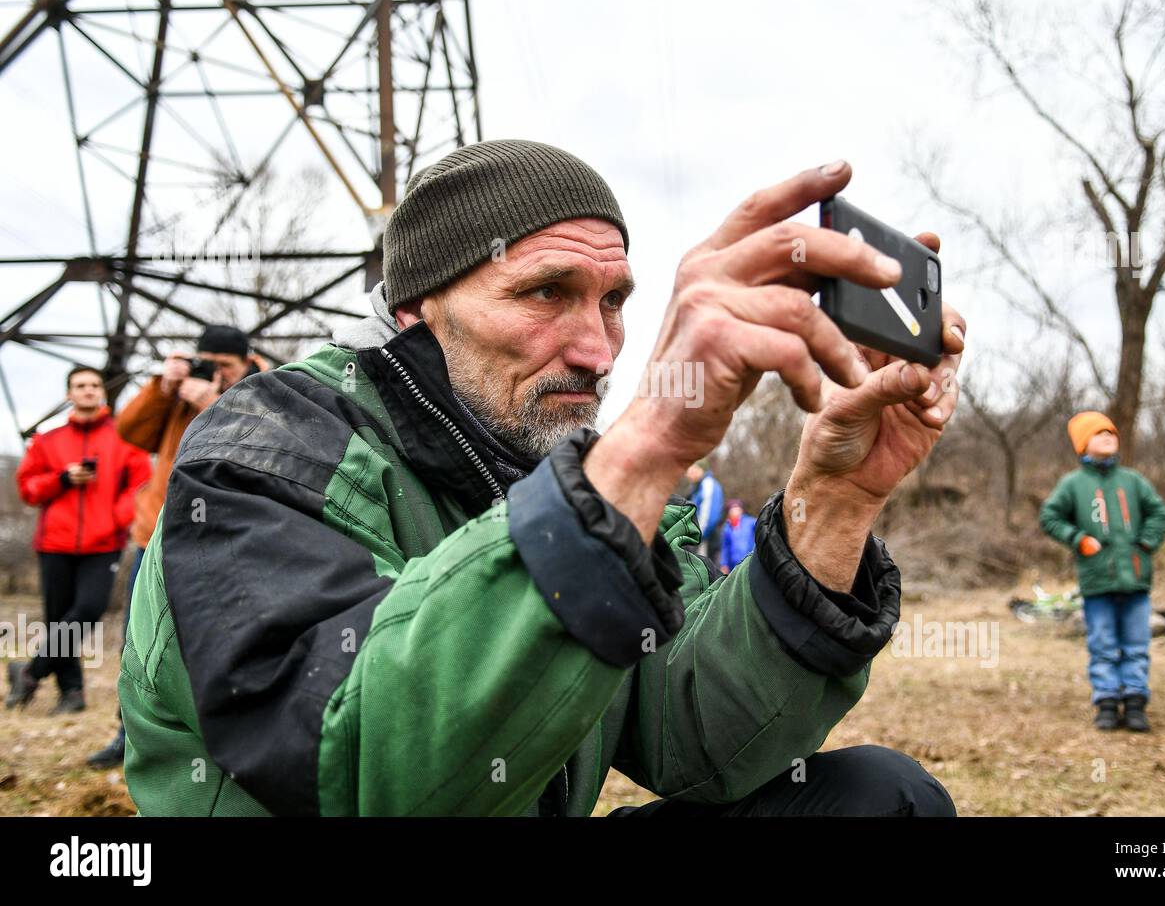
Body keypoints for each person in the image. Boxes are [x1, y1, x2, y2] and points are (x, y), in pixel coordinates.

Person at [119, 140, 968, 816]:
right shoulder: (271, 448)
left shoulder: (576, 470)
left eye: (612, 301)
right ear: (417, 306)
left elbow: (690, 735)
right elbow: (362, 775)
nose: (599, 351)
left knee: (875, 800)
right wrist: (643, 451)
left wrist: (833, 501)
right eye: (544, 293)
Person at [85, 325, 262, 768]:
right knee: (141, 640)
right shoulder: (176, 398)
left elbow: (263, 444)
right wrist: (162, 390)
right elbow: (130, 429)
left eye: (225, 366)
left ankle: (220, 742)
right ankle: (130, 736)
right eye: (209, 362)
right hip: (159, 532)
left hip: (230, 538)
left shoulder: (268, 388)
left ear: (247, 362)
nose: (215, 372)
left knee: (220, 641)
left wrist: (215, 404)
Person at [8, 367, 151, 713]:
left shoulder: (125, 438)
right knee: (59, 620)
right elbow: (28, 488)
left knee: (88, 610)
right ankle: (72, 694)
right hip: (54, 543)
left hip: (103, 544)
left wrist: (114, 521)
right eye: (80, 386)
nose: (87, 391)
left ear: (101, 391)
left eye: (93, 385)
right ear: (69, 393)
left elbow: (140, 486)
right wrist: (62, 478)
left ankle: (29, 672)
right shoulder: (48, 440)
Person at [1040, 411, 1165, 732]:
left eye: (1111, 433)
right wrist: (1078, 539)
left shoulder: (1133, 481)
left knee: (1137, 643)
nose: (1108, 437)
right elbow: (1050, 517)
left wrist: (1146, 543)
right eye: (1099, 433)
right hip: (1097, 580)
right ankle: (1108, 703)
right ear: (1084, 443)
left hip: (1136, 579)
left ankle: (1136, 702)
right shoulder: (1073, 484)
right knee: (1102, 643)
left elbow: (1160, 514)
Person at [685, 460, 724, 561]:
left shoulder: (708, 485)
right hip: (701, 536)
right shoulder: (697, 486)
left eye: (691, 469)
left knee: (705, 570)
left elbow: (708, 517)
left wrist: (695, 537)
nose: (687, 473)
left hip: (706, 538)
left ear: (700, 469)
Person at [718, 498, 757, 574]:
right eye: (733, 509)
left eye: (737, 508)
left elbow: (761, 525)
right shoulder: (727, 528)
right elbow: (725, 547)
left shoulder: (749, 522)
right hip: (734, 565)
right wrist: (724, 564)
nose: (735, 512)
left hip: (750, 561)